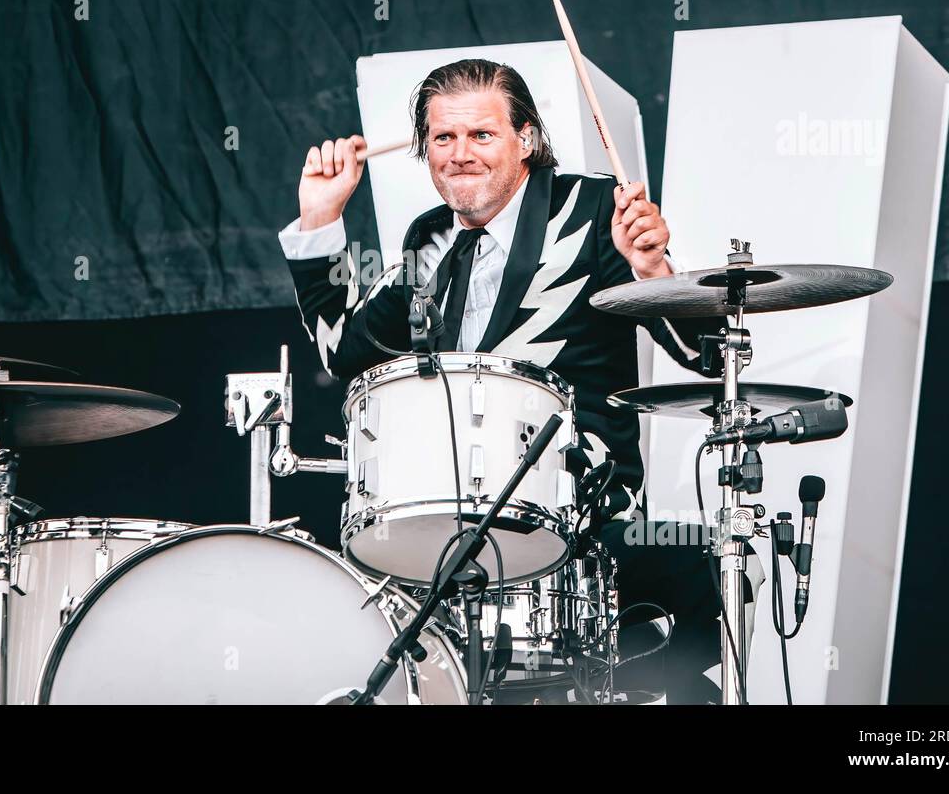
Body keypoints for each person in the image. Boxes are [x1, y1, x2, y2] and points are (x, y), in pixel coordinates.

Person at [279, 58, 762, 703]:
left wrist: (652, 269)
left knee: (706, 580)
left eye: (481, 135)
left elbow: (702, 355)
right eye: (442, 139)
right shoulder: (427, 240)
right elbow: (346, 354)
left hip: (582, 514)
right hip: (451, 526)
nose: (459, 155)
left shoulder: (592, 211)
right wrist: (320, 220)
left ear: (526, 139)